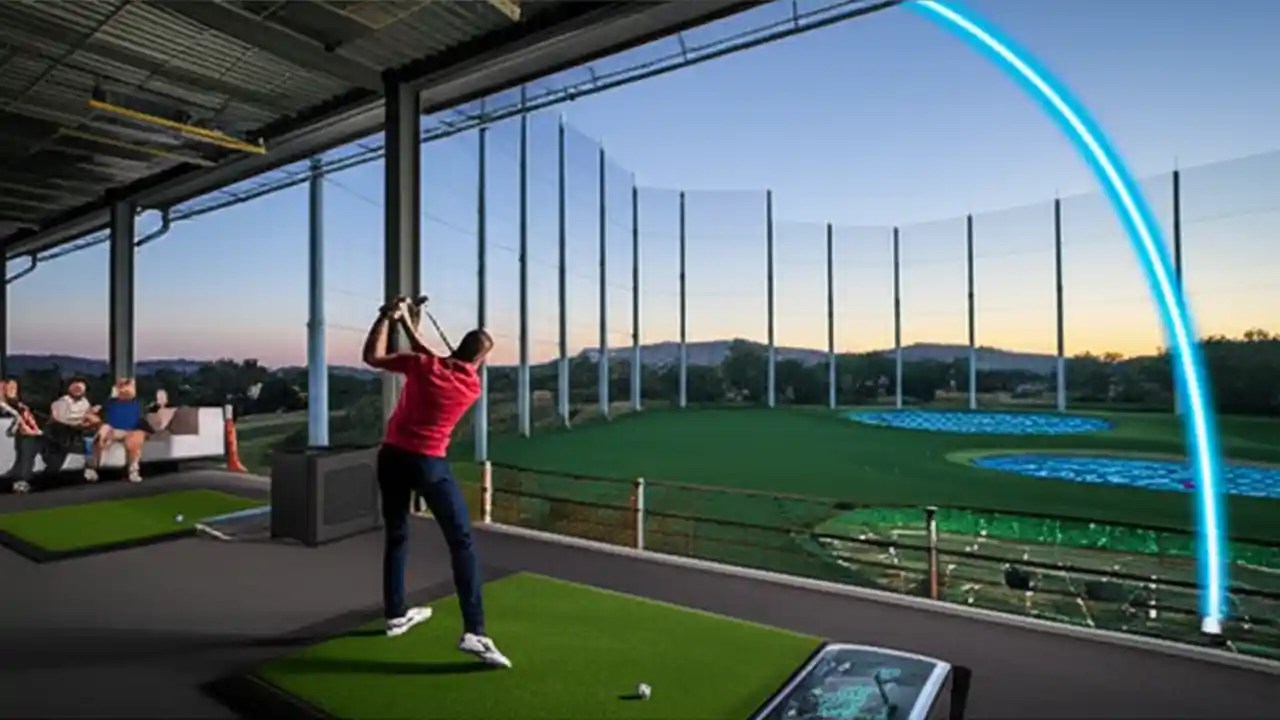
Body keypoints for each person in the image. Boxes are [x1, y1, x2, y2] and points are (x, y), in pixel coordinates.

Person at [362, 295, 510, 669]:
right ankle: (474, 631)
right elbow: (436, 356)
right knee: (461, 541)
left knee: (397, 534)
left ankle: (396, 614)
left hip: (391, 457)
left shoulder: (422, 365)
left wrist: (390, 317)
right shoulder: (471, 387)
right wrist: (408, 323)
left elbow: (374, 357)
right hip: (428, 464)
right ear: (479, 362)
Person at [2, 378, 55, 494]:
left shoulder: (24, 405)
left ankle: (23, 478)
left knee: (27, 448)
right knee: (23, 449)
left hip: (31, 431)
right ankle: (20, 475)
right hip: (25, 430)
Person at [92, 378, 150, 483]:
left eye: (129, 387)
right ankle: (93, 468)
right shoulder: (109, 403)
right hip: (114, 430)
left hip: (132, 430)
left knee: (135, 437)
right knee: (103, 432)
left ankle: (133, 470)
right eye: (122, 387)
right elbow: (99, 417)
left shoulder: (139, 403)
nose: (126, 390)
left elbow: (142, 420)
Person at [47, 378, 101, 481]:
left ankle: (90, 467)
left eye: (80, 388)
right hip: (61, 431)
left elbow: (87, 417)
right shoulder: (61, 402)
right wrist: (81, 422)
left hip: (79, 431)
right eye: (75, 387)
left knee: (91, 438)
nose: (78, 390)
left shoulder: (85, 403)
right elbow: (62, 419)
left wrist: (90, 418)